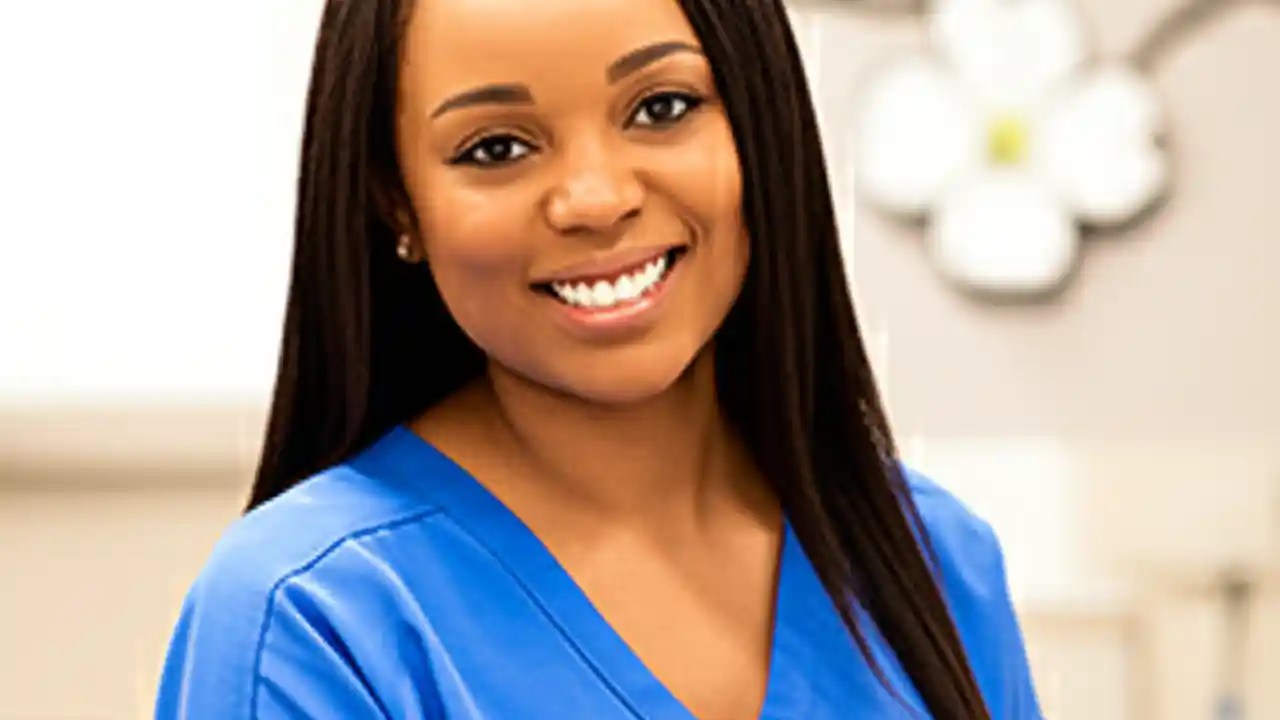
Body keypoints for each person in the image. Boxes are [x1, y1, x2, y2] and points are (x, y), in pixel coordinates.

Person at [155, 0, 1042, 718]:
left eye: (662, 108)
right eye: (495, 148)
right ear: (398, 203)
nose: (596, 199)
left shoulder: (936, 561)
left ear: (759, 121)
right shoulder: (311, 616)